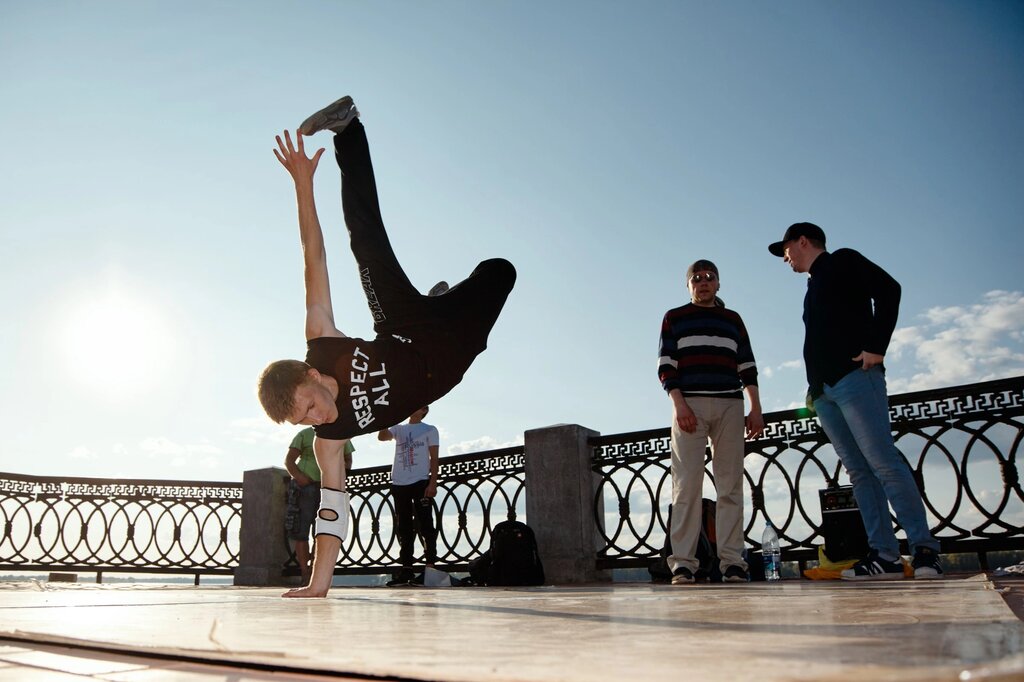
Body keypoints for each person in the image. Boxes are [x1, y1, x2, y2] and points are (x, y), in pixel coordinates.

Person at [259, 96, 516, 598]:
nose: (314, 419)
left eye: (309, 406)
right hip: (445, 359)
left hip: (400, 323)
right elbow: (332, 509)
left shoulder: (321, 341)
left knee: (366, 241)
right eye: (302, 421)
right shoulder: (328, 442)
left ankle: (347, 130)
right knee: (501, 271)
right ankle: (449, 302)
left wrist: (303, 185)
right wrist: (318, 586)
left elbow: (314, 254)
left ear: (311, 376)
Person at [768, 222, 943, 580]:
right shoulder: (811, 286)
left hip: (856, 379)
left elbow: (890, 289)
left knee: (884, 462)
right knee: (860, 472)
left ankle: (924, 549)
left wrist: (877, 346)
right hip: (825, 393)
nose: (784, 257)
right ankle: (885, 556)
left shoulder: (842, 261)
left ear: (802, 241)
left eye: (785, 249)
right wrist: (813, 389)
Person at [658, 259, 764, 585]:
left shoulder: (733, 320)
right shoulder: (674, 318)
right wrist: (679, 405)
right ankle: (683, 565)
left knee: (730, 486)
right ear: (688, 286)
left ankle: (732, 562)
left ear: (718, 284)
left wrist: (755, 407)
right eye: (697, 278)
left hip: (731, 405)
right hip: (689, 404)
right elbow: (666, 366)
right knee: (686, 487)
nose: (703, 282)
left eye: (710, 278)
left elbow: (746, 365)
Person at [283, 427, 355, 584]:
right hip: (304, 488)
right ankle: (304, 573)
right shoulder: (303, 434)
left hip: (328, 488)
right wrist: (300, 477)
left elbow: (348, 459)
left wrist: (340, 476)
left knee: (323, 532)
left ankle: (316, 575)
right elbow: (289, 460)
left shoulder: (341, 433)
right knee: (301, 531)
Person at [378, 405, 440, 586]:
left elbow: (434, 458)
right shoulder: (399, 428)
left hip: (420, 481)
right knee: (403, 526)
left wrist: (433, 482)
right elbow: (382, 437)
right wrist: (385, 421)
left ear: (424, 411)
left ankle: (430, 566)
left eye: (419, 405)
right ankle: (407, 567)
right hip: (399, 482)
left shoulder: (430, 430)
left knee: (426, 523)